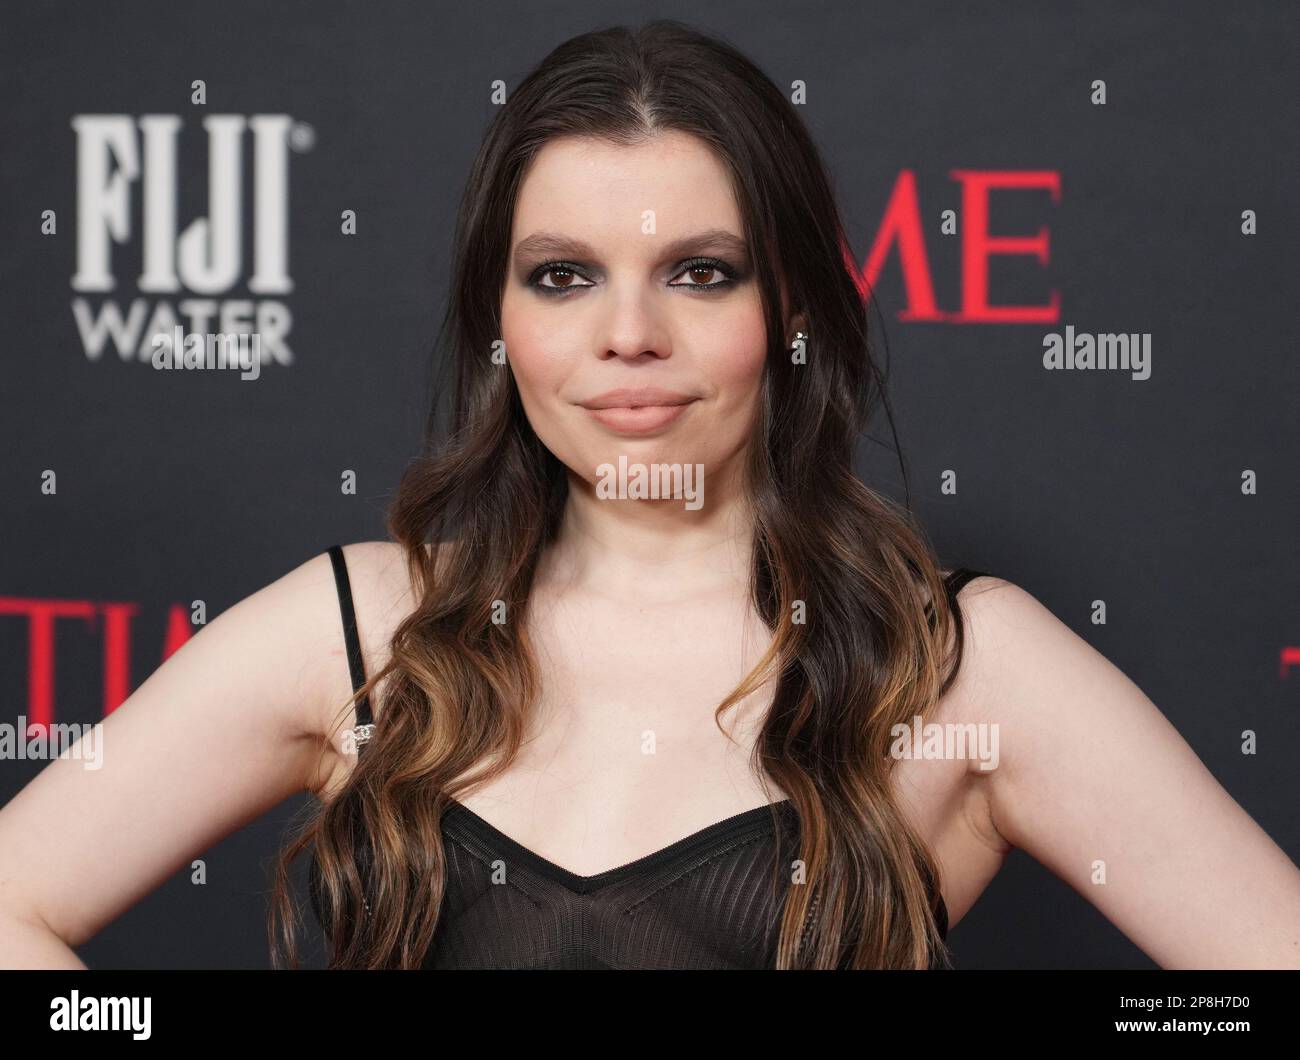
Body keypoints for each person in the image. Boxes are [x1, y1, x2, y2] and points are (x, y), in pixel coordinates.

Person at [3, 20, 1298, 971]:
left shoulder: (955, 668)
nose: (629, 333)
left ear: (790, 305)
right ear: (497, 315)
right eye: (564, 276)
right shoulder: (361, 630)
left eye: (699, 272)